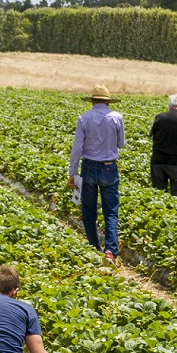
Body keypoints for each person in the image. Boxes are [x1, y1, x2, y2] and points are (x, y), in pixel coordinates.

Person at [69, 86, 124, 261]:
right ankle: (110, 252)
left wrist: (72, 172)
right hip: (109, 168)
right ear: (108, 101)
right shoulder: (117, 118)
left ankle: (94, 247)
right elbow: (121, 144)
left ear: (92, 101)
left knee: (89, 210)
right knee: (110, 211)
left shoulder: (83, 118)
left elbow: (77, 148)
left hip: (88, 168)